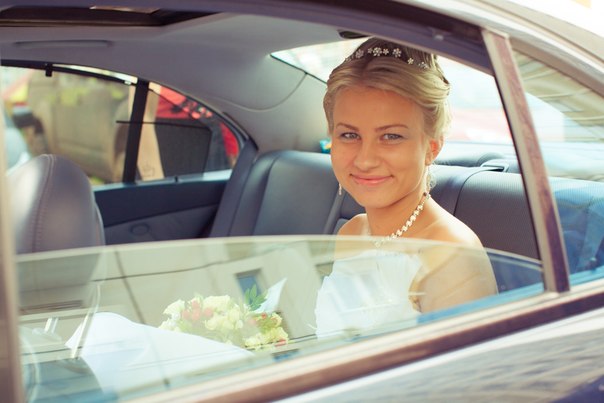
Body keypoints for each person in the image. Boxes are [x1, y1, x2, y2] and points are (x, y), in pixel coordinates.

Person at [315, 38, 497, 337]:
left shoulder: (450, 254)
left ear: (431, 148)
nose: (365, 159)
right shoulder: (351, 233)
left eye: (391, 137)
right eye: (349, 135)